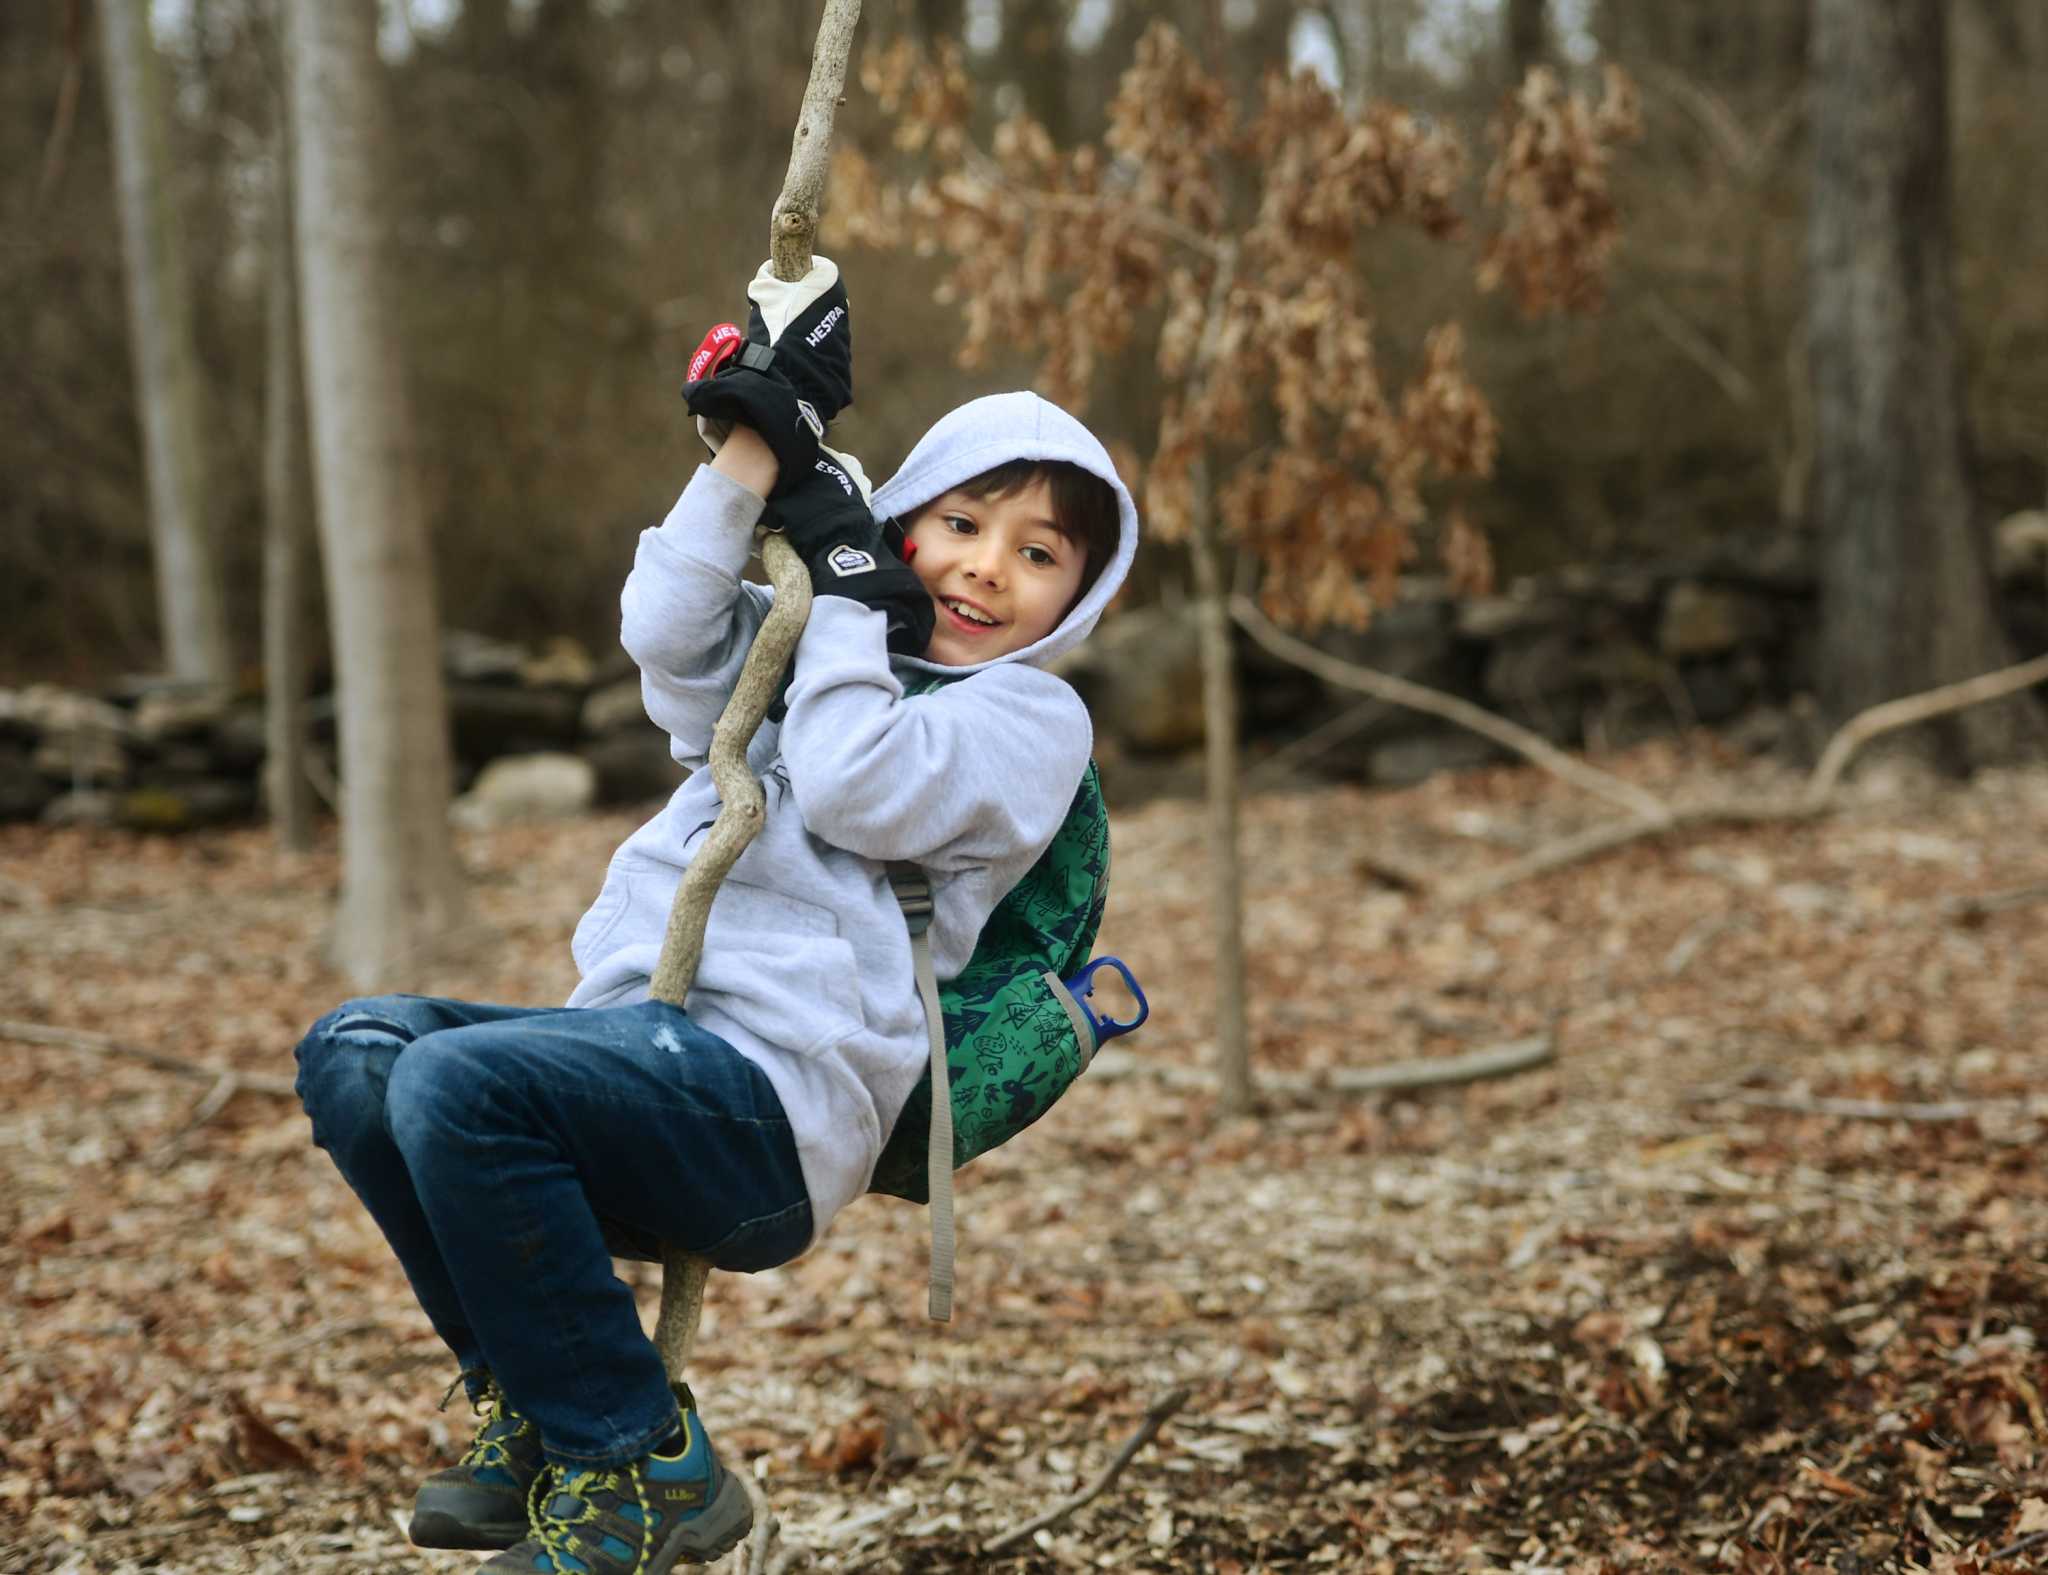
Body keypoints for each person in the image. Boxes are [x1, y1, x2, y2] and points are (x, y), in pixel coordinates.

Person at [291, 255, 1137, 1575]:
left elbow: (856, 788)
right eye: (962, 526)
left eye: (1038, 556)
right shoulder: (812, 628)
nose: (986, 571)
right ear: (907, 518)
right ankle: (539, 1395)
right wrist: (757, 449)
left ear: (1076, 599)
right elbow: (664, 629)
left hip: (779, 1109)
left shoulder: (1025, 720)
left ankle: (639, 1466)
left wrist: (857, 592)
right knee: (356, 1053)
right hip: (640, 1056)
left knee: (457, 1087)